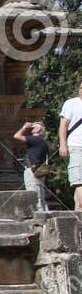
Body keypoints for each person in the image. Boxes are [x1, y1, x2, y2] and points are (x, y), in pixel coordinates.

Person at [14, 120, 49, 211]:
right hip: (41, 169)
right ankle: (44, 212)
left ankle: (39, 215)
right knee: (40, 194)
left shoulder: (35, 139)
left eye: (33, 127)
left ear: (37, 129)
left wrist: (24, 127)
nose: (31, 129)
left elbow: (16, 136)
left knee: (33, 193)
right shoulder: (43, 141)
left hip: (32, 170)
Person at [62, 77, 82, 208]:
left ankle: (77, 211)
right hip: (76, 146)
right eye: (81, 88)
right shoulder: (71, 103)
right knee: (79, 180)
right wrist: (63, 144)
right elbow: (63, 125)